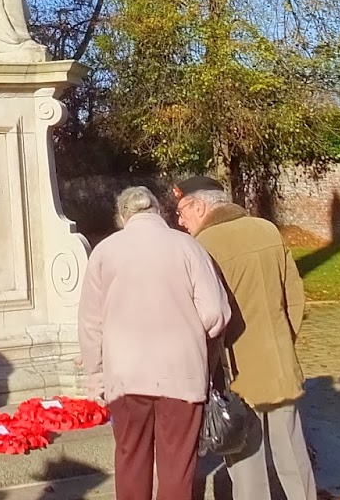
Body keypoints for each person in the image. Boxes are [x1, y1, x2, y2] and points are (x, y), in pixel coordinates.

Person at [77, 186, 230, 500]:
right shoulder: (187, 246)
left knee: (131, 457)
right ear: (158, 211)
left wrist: (95, 373)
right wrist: (188, 332)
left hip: (126, 374)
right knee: (177, 465)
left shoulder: (105, 251)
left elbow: (90, 322)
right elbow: (216, 312)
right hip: (181, 372)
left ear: (123, 217)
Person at [174, 176, 317, 500]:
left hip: (235, 372)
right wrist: (282, 339)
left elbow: (202, 316)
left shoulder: (202, 247)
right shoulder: (267, 230)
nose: (180, 221)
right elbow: (295, 298)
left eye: (183, 211)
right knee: (293, 455)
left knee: (247, 467)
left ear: (200, 205)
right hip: (279, 364)